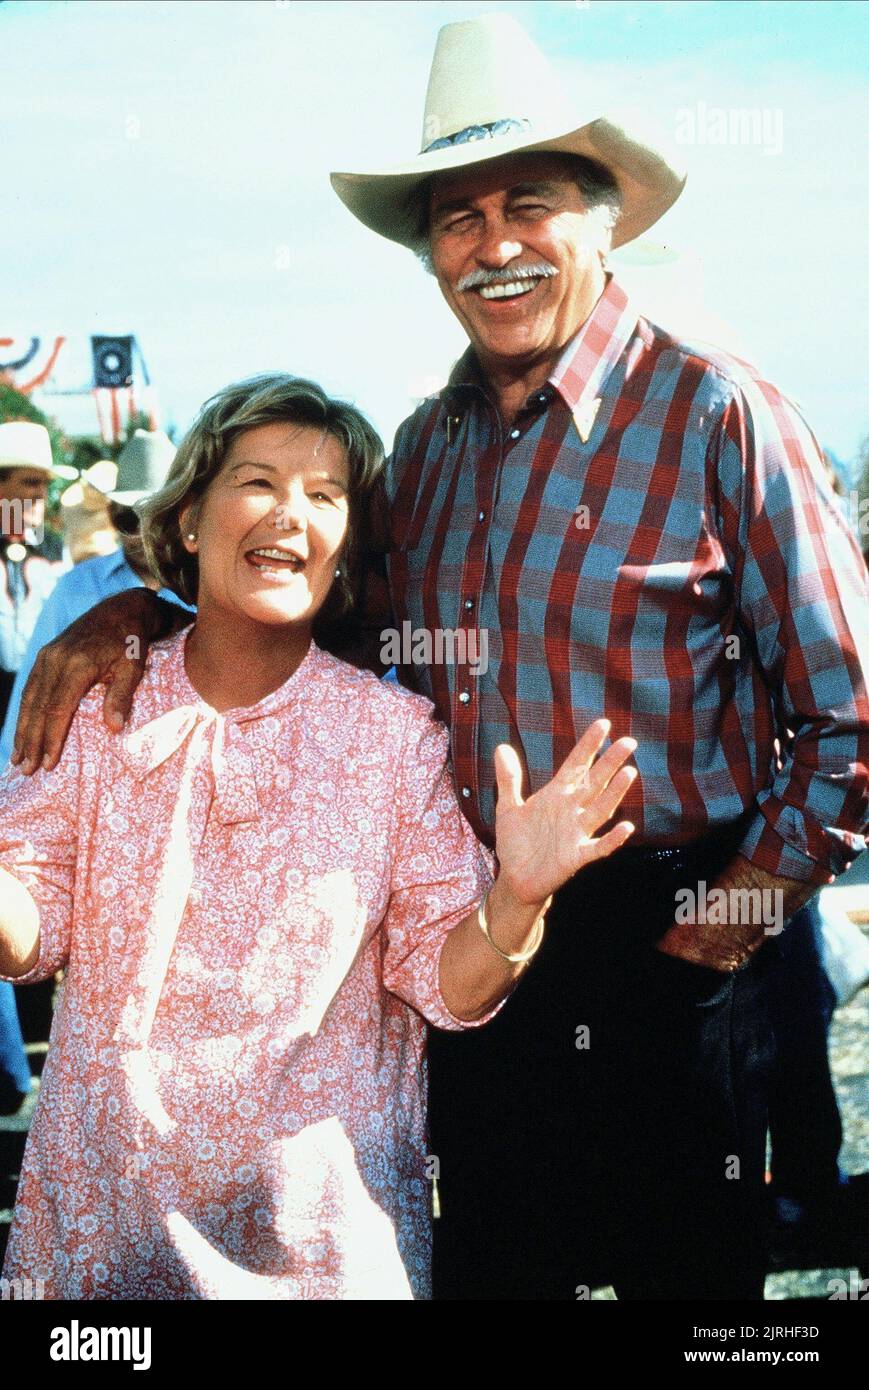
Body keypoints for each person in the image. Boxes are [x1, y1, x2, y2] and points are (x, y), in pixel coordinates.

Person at [10, 15, 869, 1299]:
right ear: (430, 258)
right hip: (473, 940)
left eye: (529, 204)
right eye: (457, 221)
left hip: (681, 942)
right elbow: (320, 619)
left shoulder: (716, 411)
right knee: (498, 1270)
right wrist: (142, 613)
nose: (495, 244)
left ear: (600, 221)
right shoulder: (426, 447)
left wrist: (721, 928)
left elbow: (849, 719)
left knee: (690, 1294)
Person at [0, 373, 637, 1300]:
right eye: (256, 481)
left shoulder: (393, 737)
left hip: (322, 1251)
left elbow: (450, 985)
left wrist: (516, 899)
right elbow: (28, 932)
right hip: (107, 1238)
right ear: (185, 520)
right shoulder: (98, 703)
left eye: (324, 494)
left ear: (346, 548)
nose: (288, 513)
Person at [0, 429, 185, 767]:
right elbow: (27, 700)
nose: (144, 532)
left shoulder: (204, 594)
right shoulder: (74, 587)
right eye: (130, 518)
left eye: (158, 518)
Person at [0, 420, 68, 1116]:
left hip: (36, 738)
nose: (38, 499)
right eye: (27, 485)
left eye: (45, 486)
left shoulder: (55, 560)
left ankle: (25, 1062)